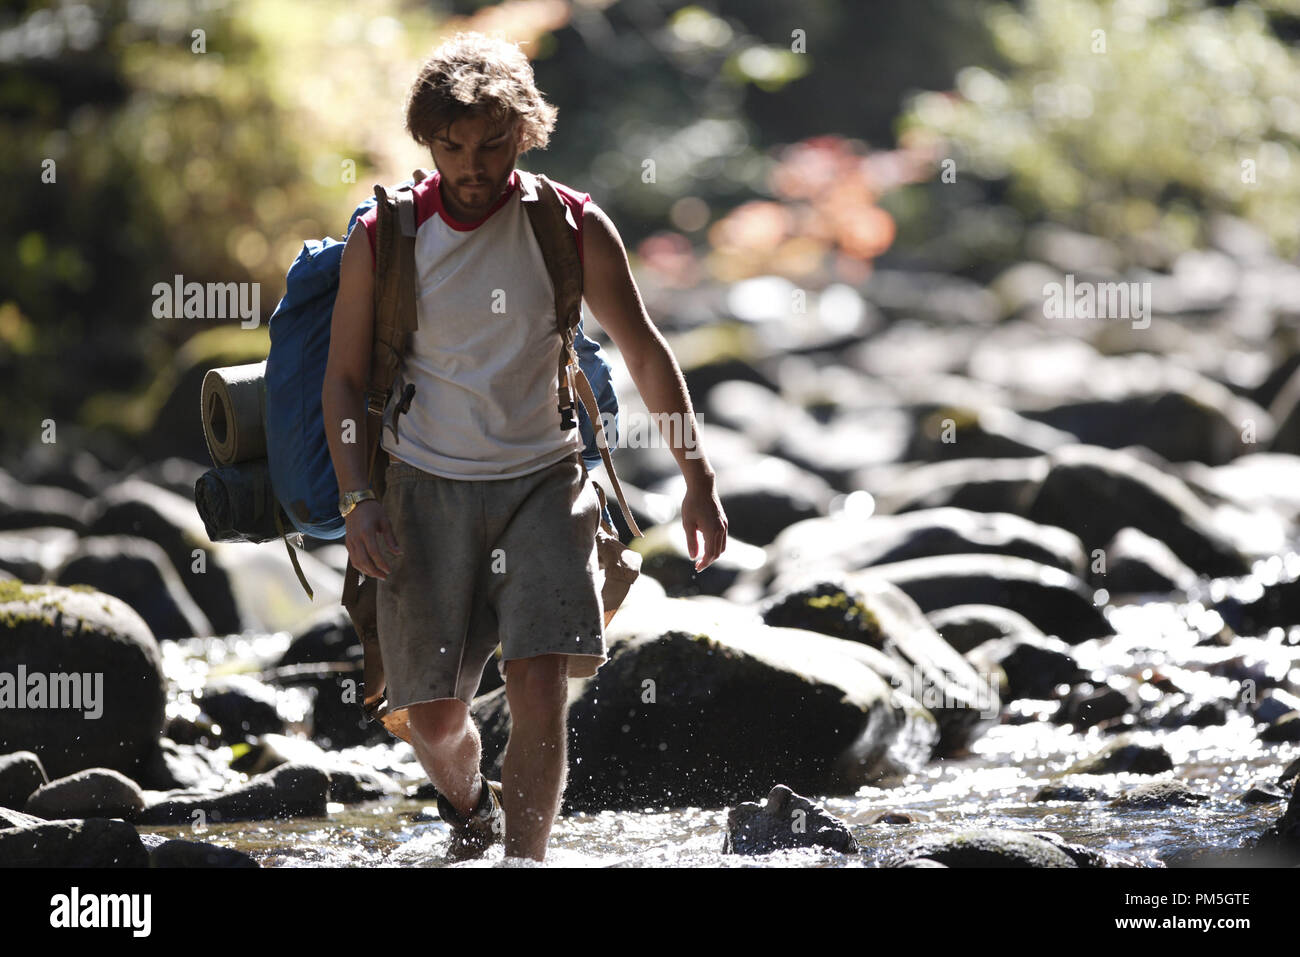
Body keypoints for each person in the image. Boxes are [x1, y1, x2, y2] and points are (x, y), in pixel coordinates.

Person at [321, 31, 728, 863]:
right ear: (428, 142)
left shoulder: (570, 225)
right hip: (421, 487)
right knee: (433, 718)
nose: (472, 165)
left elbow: (646, 352)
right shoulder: (385, 236)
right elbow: (343, 380)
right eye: (452, 145)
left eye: (493, 144)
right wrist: (358, 499)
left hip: (545, 480)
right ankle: (472, 804)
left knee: (541, 680)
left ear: (526, 132)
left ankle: (525, 860)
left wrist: (697, 476)